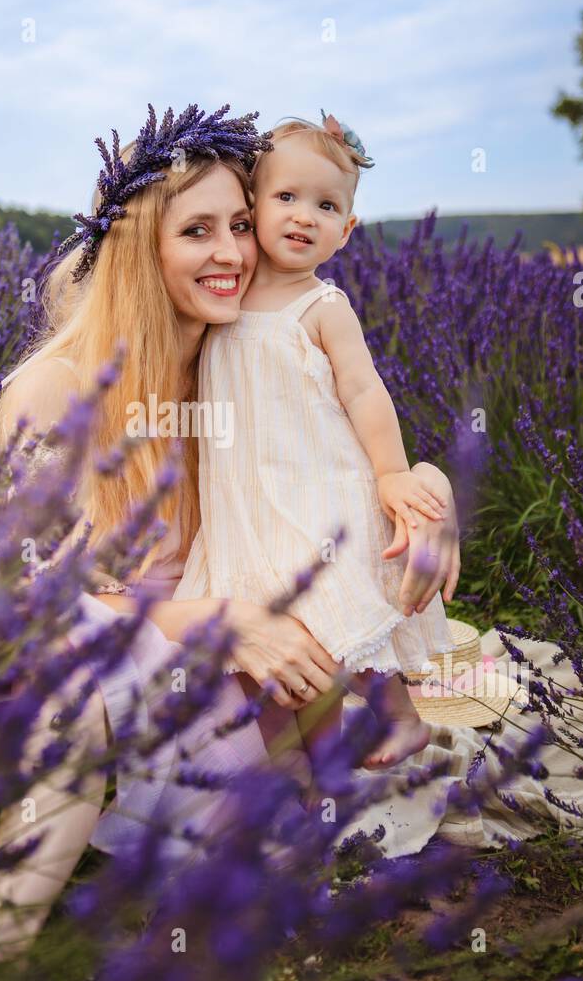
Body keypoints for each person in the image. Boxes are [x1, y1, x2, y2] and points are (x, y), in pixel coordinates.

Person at [0, 103, 460, 958]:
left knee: (285, 840)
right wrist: (220, 620)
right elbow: (44, 599)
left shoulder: (230, 367)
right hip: (70, 664)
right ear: (140, 248)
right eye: (197, 230)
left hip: (208, 670)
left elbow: (347, 454)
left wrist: (429, 494)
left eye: (241, 223)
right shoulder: (55, 391)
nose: (235, 252)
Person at [174, 112, 456, 776]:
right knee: (301, 644)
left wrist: (391, 474)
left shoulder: (322, 307)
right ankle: (309, 746)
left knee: (336, 623)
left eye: (326, 206)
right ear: (253, 209)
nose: (305, 217)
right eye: (286, 198)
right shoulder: (228, 296)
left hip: (321, 496)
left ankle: (396, 721)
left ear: (347, 230)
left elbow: (364, 393)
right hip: (250, 508)